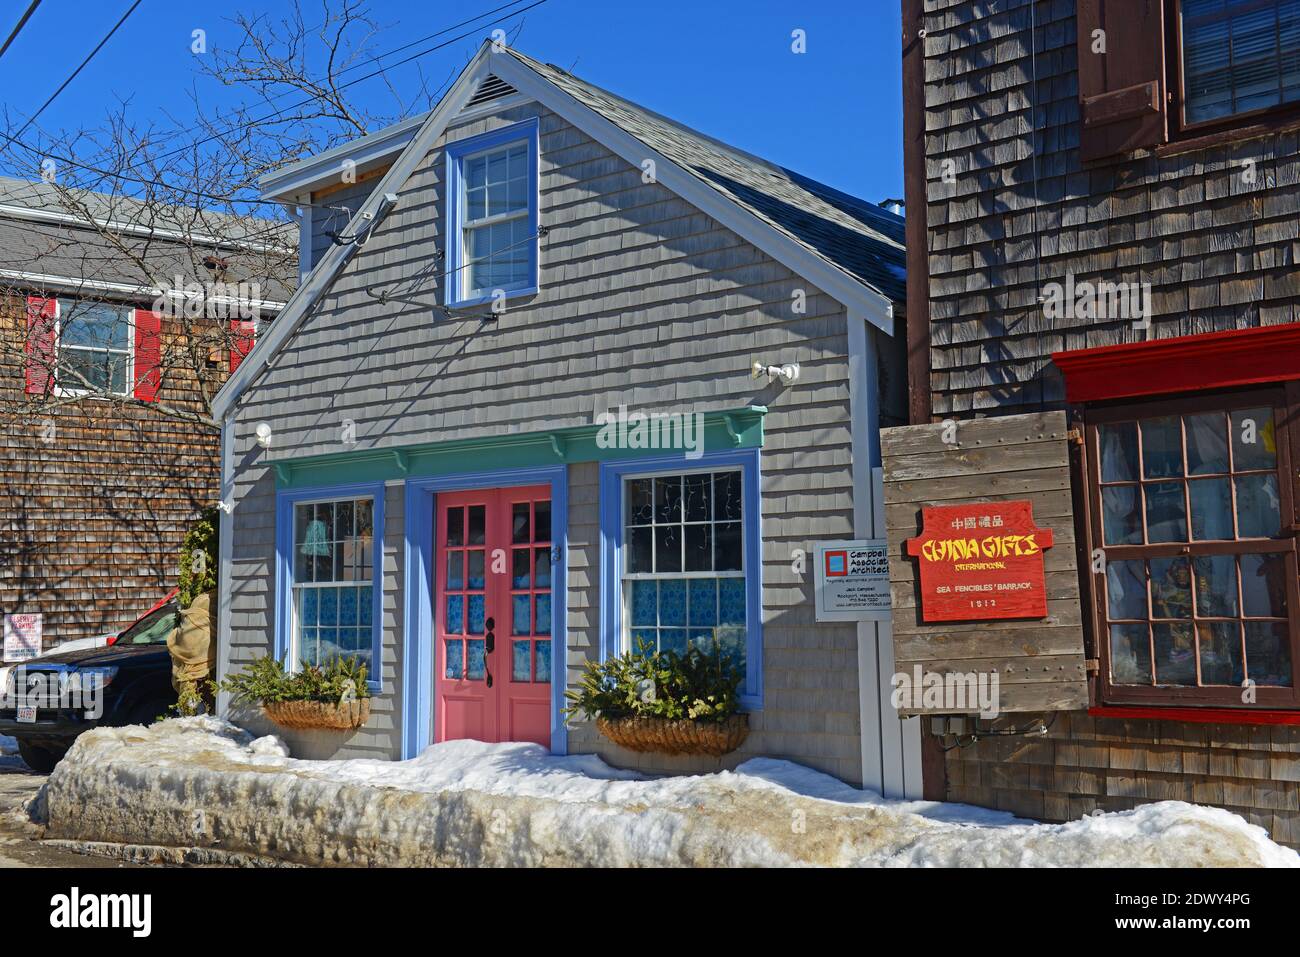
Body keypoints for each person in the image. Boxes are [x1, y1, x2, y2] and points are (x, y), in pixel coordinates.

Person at [167, 506, 219, 713]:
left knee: (198, 697)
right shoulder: (204, 602)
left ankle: (194, 710)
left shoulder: (205, 602)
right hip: (202, 657)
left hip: (203, 660)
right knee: (198, 698)